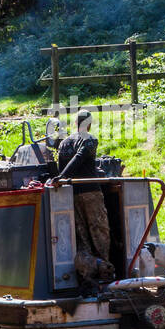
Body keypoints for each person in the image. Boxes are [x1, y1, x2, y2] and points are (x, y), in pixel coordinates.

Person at [52, 110, 113, 283]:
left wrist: (62, 177)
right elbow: (79, 157)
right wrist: (63, 176)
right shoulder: (90, 139)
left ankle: (88, 272)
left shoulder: (64, 144)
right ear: (89, 124)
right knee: (100, 230)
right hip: (91, 192)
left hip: (73, 193)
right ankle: (105, 270)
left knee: (82, 235)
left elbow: (62, 165)